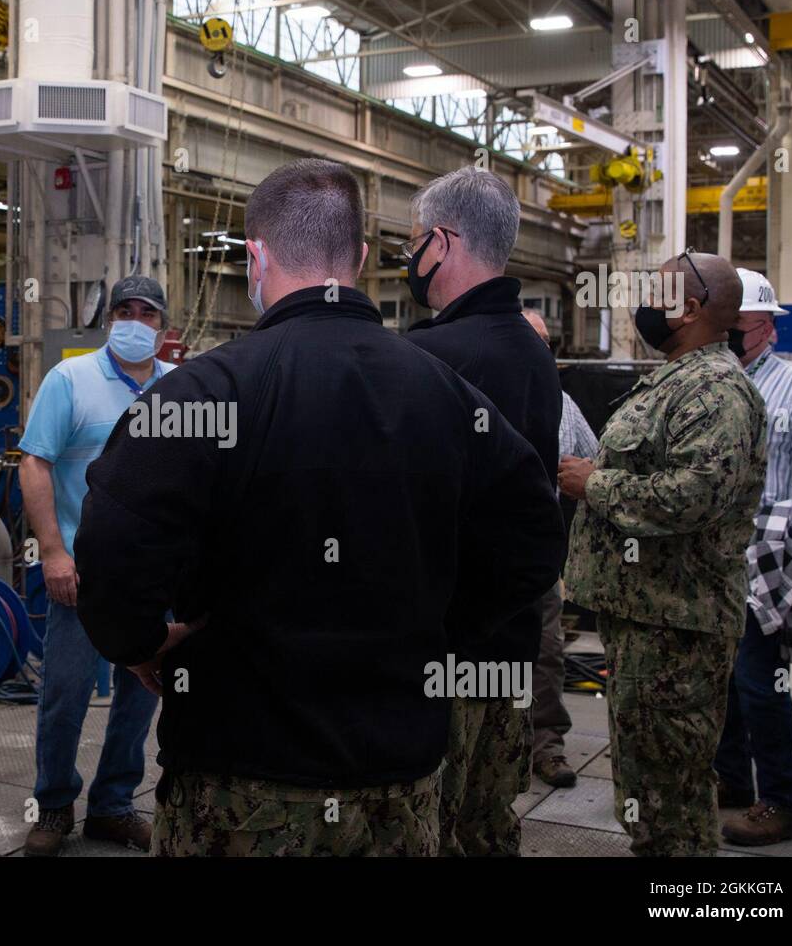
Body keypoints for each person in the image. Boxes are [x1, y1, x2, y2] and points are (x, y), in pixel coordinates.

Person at [74, 158, 563, 857]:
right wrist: (437, 630)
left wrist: (141, 643)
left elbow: (113, 545)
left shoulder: (202, 395)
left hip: (238, 788)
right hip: (399, 790)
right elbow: (535, 541)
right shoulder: (445, 395)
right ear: (362, 258)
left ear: (255, 256)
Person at [561, 250, 767, 856]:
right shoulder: (680, 380)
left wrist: (592, 483)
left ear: (693, 309)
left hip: (676, 630)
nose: (643, 302)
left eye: (657, 292)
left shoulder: (717, 390)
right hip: (648, 622)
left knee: (671, 799)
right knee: (649, 788)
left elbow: (692, 499)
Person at [403, 168, 564, 855]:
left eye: (413, 241)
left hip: (436, 652)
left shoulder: (429, 356)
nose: (409, 257)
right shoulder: (531, 351)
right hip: (506, 648)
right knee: (489, 823)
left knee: (425, 825)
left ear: (441, 243)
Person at [17, 274, 176, 856]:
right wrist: (53, 551)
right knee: (66, 691)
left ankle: (111, 806)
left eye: (148, 313)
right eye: (125, 310)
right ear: (109, 318)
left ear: (164, 326)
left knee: (142, 694)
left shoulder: (180, 388)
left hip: (154, 576)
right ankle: (54, 804)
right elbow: (34, 465)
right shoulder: (71, 379)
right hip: (81, 576)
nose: (136, 321)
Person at [713, 268, 792, 846]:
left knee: (763, 682)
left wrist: (781, 548)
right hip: (720, 557)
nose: (729, 333)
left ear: (764, 325)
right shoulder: (719, 386)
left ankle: (782, 800)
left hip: (769, 560)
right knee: (728, 682)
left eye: (737, 323)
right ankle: (732, 782)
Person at [523, 309, 599, 788]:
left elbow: (592, 462)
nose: (542, 352)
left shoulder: (563, 404)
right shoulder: (473, 390)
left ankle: (546, 746)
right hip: (477, 562)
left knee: (546, 652)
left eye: (547, 343)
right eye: (533, 341)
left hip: (539, 560)